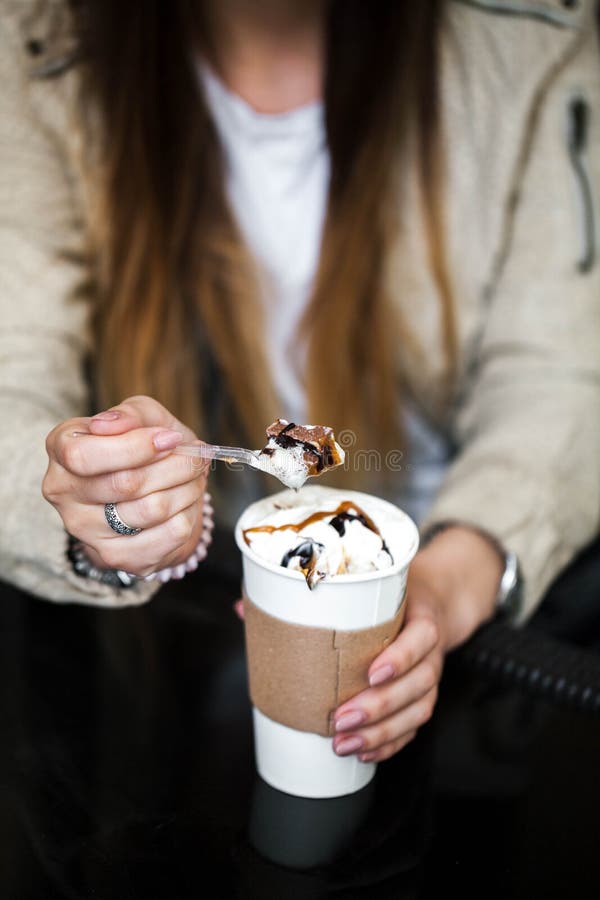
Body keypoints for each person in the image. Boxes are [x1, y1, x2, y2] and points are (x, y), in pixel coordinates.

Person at [1, 0, 599, 765]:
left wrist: (452, 581)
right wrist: (98, 500)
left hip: (486, 640)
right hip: (181, 640)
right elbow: (11, 387)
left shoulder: (534, 30)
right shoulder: (34, 41)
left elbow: (560, 375)